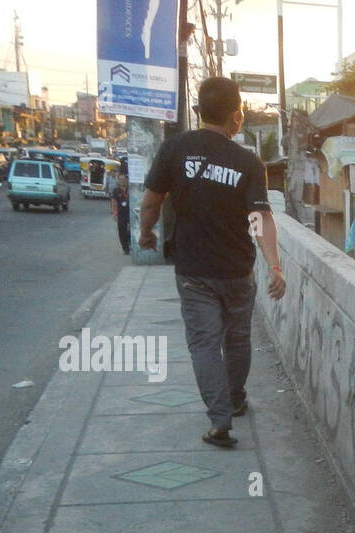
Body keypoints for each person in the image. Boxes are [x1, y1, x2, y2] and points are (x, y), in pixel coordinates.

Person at [138, 76, 287, 449]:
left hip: (193, 272)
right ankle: (235, 400)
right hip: (237, 271)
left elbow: (151, 201)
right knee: (237, 341)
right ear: (237, 118)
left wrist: (146, 234)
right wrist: (275, 266)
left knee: (204, 344)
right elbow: (260, 218)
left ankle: (220, 419)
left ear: (198, 111)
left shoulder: (174, 149)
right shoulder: (248, 161)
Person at [111, 171, 131, 254]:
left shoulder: (131, 190)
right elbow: (114, 202)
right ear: (118, 181)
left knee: (131, 230)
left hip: (130, 213)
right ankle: (125, 249)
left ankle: (132, 245)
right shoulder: (116, 191)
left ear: (127, 180)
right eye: (121, 179)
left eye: (124, 179)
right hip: (121, 214)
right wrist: (114, 213)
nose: (123, 181)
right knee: (122, 231)